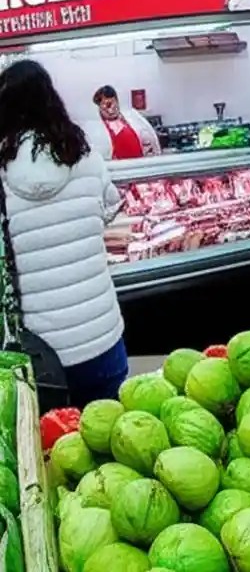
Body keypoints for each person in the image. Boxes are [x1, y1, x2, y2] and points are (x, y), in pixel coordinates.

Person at [0, 61, 127, 406]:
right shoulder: (87, 157)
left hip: (38, 353)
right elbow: (109, 211)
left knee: (55, 451)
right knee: (112, 439)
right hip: (100, 334)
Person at [86, 86, 161, 160]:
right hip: (116, 169)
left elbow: (151, 140)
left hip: (140, 166)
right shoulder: (97, 130)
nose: (110, 110)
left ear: (117, 101)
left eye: (111, 104)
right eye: (104, 107)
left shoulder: (133, 117)